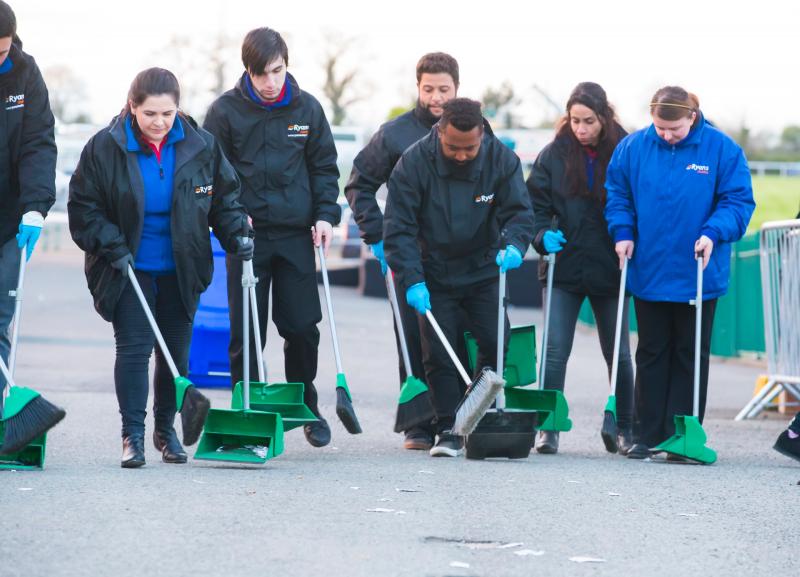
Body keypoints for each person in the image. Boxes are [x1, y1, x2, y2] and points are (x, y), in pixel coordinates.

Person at [68, 68, 253, 468]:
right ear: (132, 106)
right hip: (127, 267)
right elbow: (83, 208)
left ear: (178, 109)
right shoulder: (105, 147)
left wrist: (236, 232)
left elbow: (223, 200)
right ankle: (131, 435)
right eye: (150, 113)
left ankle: (166, 431)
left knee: (175, 356)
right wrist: (111, 244)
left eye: (167, 114)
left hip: (181, 269)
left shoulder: (201, 146)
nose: (159, 123)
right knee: (134, 351)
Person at [203, 27, 340, 448]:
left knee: (301, 328)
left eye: (277, 71)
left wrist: (325, 215)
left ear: (286, 64)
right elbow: (211, 172)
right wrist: (230, 219)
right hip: (245, 239)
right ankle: (251, 410)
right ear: (247, 70)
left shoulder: (308, 109)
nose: (270, 82)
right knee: (247, 331)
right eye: (261, 74)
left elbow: (324, 168)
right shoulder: (224, 112)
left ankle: (305, 404)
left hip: (297, 237)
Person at [605, 86, 755, 459]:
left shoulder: (722, 150)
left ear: (692, 116)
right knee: (652, 351)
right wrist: (622, 233)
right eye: (660, 128)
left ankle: (683, 434)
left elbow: (737, 201)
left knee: (690, 353)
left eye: (674, 129)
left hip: (699, 271)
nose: (667, 135)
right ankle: (646, 433)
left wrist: (712, 232)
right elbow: (618, 194)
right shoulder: (633, 148)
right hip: (650, 268)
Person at [384, 98, 535, 457]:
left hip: (483, 268)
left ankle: (477, 413)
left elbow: (520, 214)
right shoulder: (413, 163)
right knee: (437, 352)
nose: (463, 155)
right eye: (454, 147)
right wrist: (412, 278)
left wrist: (515, 245)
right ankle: (448, 428)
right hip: (433, 271)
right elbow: (399, 228)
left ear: (482, 134)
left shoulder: (502, 160)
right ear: (439, 133)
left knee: (496, 339)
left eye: (470, 147)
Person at [344, 52, 459, 451]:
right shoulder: (394, 134)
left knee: (454, 336)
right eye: (428, 89)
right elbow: (359, 184)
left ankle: (458, 418)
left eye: (444, 89)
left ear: (456, 88)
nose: (436, 97)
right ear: (418, 87)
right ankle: (419, 425)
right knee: (413, 338)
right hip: (408, 252)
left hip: (461, 255)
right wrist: (376, 235)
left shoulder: (473, 128)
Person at [527, 82, 633, 455]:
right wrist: (541, 236)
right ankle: (548, 426)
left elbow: (637, 203)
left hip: (610, 265)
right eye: (574, 120)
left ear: (604, 117)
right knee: (554, 350)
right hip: (564, 266)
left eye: (588, 121)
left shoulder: (627, 149)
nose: (581, 128)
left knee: (618, 352)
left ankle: (624, 426)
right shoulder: (554, 153)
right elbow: (533, 204)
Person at [0, 1, 57, 404]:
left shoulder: (25, 74)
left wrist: (35, 207)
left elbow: (39, 143)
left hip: (9, 220)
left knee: (1, 316)